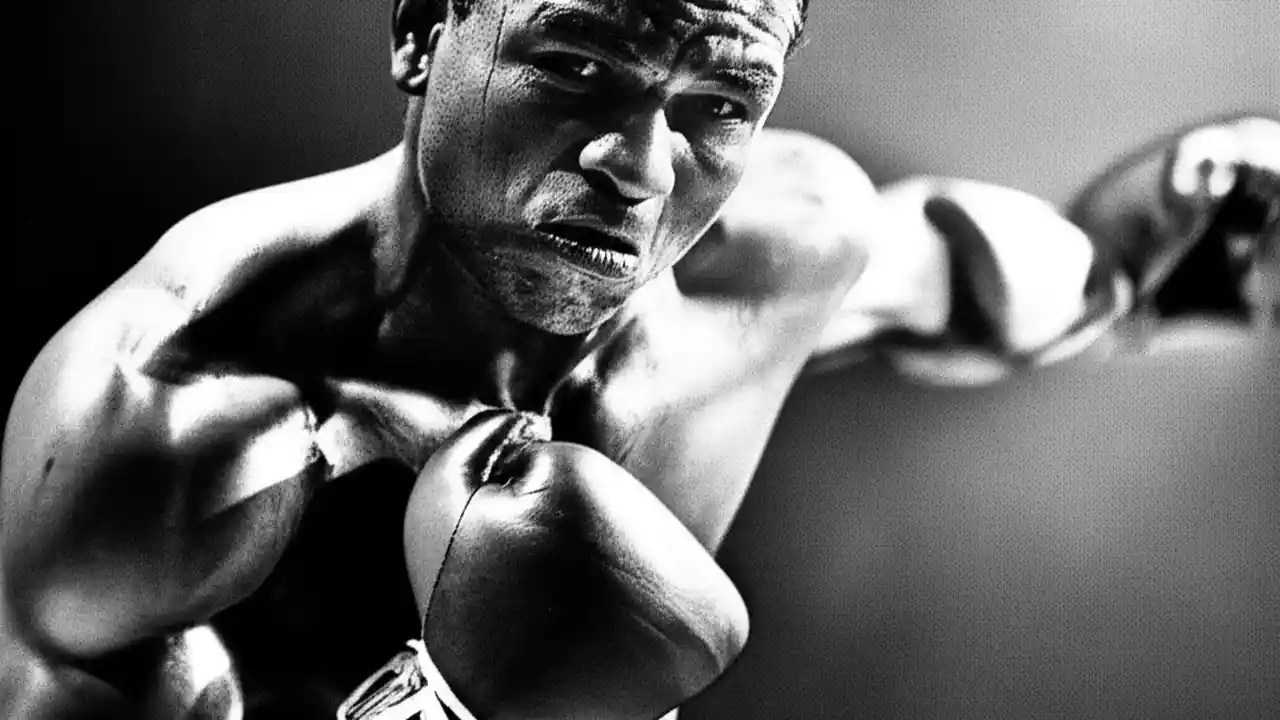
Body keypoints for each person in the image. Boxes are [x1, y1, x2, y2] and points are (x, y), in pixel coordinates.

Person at [0, 1, 1167, 718]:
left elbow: (961, 277)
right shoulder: (175, 442)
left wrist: (1132, 267)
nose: (641, 169)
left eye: (721, 101)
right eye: (577, 66)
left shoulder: (775, 256)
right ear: (423, 29)